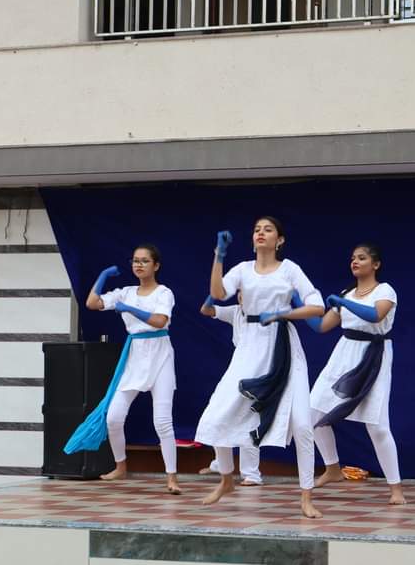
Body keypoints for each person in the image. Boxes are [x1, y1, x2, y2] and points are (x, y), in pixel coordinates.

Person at [195, 217, 325, 518]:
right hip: (250, 346)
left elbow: (317, 307)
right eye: (256, 230)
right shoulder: (241, 269)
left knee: (303, 425)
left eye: (267, 229)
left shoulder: (290, 269)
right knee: (217, 414)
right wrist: (219, 254)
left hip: (283, 346)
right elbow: (216, 293)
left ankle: (306, 497)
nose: (260, 233)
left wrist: (283, 313)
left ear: (279, 239)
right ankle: (227, 478)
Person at [68, 244, 181, 494]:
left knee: (162, 421)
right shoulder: (126, 292)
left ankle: (171, 477)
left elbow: (159, 321)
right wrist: (103, 277)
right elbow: (92, 303)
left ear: (156, 265)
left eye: (144, 261)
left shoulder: (164, 293)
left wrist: (131, 309)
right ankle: (121, 466)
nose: (138, 265)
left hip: (160, 354)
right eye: (135, 261)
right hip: (135, 357)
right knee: (114, 417)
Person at [308, 243, 405, 505]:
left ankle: (396, 489)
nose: (355, 261)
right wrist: (301, 303)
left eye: (362, 258)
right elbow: (322, 326)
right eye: (352, 258)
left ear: (375, 264)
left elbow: (375, 315)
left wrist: (343, 302)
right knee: (312, 413)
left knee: (377, 425)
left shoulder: (385, 290)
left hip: (373, 355)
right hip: (343, 355)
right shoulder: (347, 293)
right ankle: (332, 468)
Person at [198, 295, 262, 486]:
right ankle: (220, 463)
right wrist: (212, 295)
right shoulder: (235, 311)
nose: (244, 296)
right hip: (237, 365)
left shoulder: (267, 314)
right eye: (241, 292)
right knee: (219, 410)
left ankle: (251, 473)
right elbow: (206, 310)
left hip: (258, 366)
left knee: (249, 417)